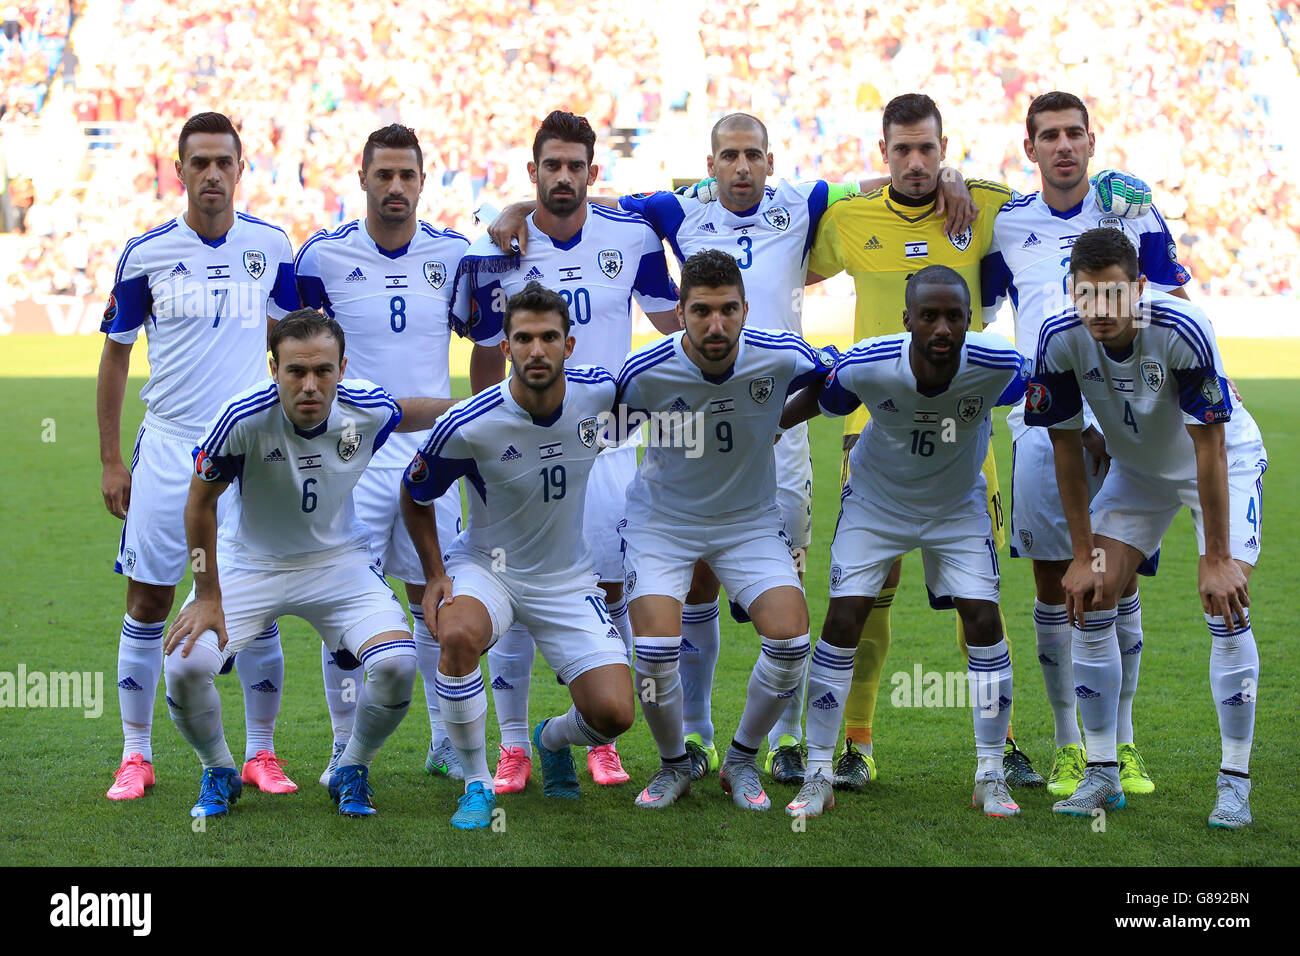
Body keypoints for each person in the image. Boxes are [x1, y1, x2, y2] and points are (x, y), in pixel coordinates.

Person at [489, 112, 976, 784]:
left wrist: (946, 175)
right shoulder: (673, 209)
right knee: (695, 585)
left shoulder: (803, 201)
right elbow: (583, 202)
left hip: (777, 422)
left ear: (769, 163)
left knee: (785, 584)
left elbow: (882, 182)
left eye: (753, 155)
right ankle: (696, 735)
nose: (741, 166)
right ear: (710, 163)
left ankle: (781, 738)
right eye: (729, 156)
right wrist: (518, 207)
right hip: (696, 417)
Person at [805, 92, 1148, 790]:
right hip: (872, 430)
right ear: (883, 153)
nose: (916, 162)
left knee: (978, 593)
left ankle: (1006, 748)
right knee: (870, 593)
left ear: (944, 148)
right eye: (901, 149)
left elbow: (1040, 215)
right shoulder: (848, 219)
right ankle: (857, 744)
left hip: (965, 433)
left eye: (928, 149)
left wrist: (960, 184)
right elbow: (793, 267)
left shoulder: (986, 205)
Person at [449, 110, 678, 790]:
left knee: (605, 587)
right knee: (510, 591)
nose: (564, 176)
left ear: (592, 172)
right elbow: (488, 360)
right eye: (551, 165)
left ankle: (594, 738)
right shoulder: (501, 248)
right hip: (516, 452)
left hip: (604, 450)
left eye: (576, 165)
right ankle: (515, 743)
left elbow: (673, 327)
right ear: (533, 170)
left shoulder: (630, 238)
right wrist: (484, 444)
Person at [162, 310, 456, 818]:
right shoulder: (241, 418)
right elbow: (199, 503)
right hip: (248, 563)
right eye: (296, 371)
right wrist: (208, 594)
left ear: (343, 367)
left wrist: (474, 407)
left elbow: (407, 411)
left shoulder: (364, 407)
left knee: (396, 665)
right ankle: (217, 769)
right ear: (273, 368)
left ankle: (353, 768)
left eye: (323, 370)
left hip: (339, 563)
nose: (310, 385)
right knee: (185, 667)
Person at [981, 91, 1192, 798]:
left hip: (1131, 422)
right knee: (1056, 578)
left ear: (1091, 142)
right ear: (1029, 148)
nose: (1063, 146)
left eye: (1075, 134)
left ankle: (1120, 745)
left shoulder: (1130, 211)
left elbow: (1175, 302)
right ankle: (1070, 745)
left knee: (1118, 579)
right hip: (1046, 422)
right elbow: (974, 311)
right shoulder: (1008, 225)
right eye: (1050, 136)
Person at [1025, 227, 1266, 827]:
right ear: (1071, 291)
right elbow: (1063, 449)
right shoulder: (1057, 338)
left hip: (1219, 463)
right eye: (1087, 295)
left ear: (1138, 287)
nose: (1100, 310)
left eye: (1114, 295)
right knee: (1093, 590)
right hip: (1137, 474)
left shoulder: (1181, 327)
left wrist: (1215, 557)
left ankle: (1234, 779)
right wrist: (1083, 553)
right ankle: (1103, 773)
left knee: (1225, 600)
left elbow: (1207, 447)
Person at [97, 111, 298, 801]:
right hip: (168, 447)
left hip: (247, 451)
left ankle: (261, 754)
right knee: (150, 597)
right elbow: (116, 358)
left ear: (242, 170)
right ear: (179, 170)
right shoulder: (145, 253)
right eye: (199, 162)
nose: (212, 174)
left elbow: (297, 344)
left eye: (224, 162)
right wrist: (109, 460)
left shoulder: (272, 247)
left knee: (256, 601)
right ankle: (136, 754)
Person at [295, 123, 500, 787]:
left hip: (431, 455)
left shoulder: (453, 253)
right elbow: (298, 356)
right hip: (350, 454)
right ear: (361, 178)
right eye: (382, 175)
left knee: (432, 597)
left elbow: (486, 336)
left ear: (422, 178)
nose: (395, 187)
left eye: (406, 175)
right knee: (344, 603)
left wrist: (483, 423)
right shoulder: (321, 259)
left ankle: (445, 739)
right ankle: (342, 746)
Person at [780, 265, 1026, 819]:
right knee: (844, 619)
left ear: (970, 320)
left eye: (954, 316)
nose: (942, 327)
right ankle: (818, 772)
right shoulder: (869, 363)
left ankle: (991, 773)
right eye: (930, 315)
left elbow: (1049, 384)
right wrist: (770, 427)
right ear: (907, 318)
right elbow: (825, 398)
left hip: (956, 506)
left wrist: (1089, 430)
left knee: (983, 619)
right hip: (876, 504)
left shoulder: (997, 362)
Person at [401, 282, 635, 830]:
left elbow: (660, 400)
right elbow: (414, 494)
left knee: (615, 714)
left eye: (549, 338)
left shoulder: (601, 397)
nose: (537, 350)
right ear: (505, 348)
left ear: (569, 345)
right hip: (488, 569)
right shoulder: (470, 423)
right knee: (455, 635)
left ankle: (551, 740)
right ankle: (478, 781)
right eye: (523, 338)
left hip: (567, 578)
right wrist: (436, 574)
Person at [614, 249, 834, 811]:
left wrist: (778, 419)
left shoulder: (779, 354)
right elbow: (604, 427)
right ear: (681, 311)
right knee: (657, 652)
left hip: (748, 522)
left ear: (745, 308)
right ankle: (673, 766)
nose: (717, 325)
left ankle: (739, 760)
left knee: (790, 642)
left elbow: (835, 384)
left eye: (728, 310)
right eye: (702, 311)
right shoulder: (646, 372)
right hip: (661, 523)